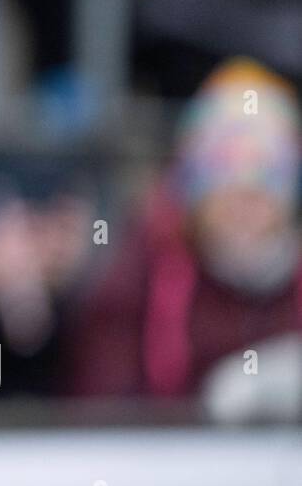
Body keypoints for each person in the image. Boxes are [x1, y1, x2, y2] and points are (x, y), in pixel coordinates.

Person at [66, 58, 302, 399]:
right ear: (193, 189)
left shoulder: (292, 286)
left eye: (263, 189)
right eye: (225, 185)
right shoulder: (139, 274)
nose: (244, 209)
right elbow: (100, 407)